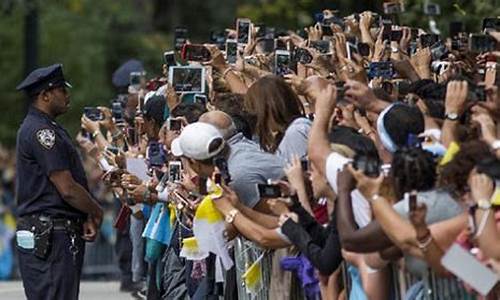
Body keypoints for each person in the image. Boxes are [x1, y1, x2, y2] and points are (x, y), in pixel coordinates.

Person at [15, 64, 103, 300]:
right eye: (62, 90)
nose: (67, 95)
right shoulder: (42, 132)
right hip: (51, 236)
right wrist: (96, 210)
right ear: (45, 95)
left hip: (55, 232)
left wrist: (84, 216)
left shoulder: (47, 128)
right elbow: (67, 188)